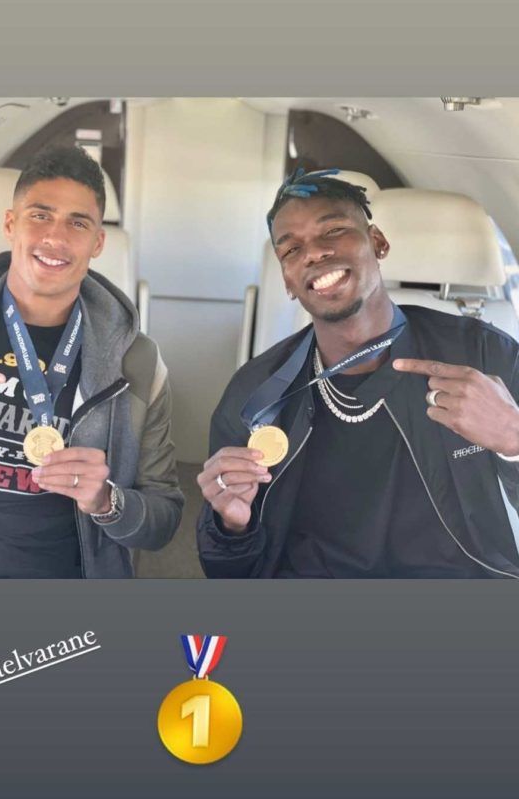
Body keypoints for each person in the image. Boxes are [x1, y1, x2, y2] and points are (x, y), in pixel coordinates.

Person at [197, 170, 519, 579]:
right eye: (291, 250)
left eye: (333, 230)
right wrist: (231, 526)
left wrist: (513, 440)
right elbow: (227, 572)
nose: (313, 253)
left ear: (378, 242)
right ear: (289, 281)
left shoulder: (486, 356)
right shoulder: (256, 395)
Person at [0, 147, 183, 577]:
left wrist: (106, 501)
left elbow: (163, 520)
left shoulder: (136, 363)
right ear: (10, 224)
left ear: (98, 242)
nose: (56, 238)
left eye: (78, 223)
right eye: (40, 215)